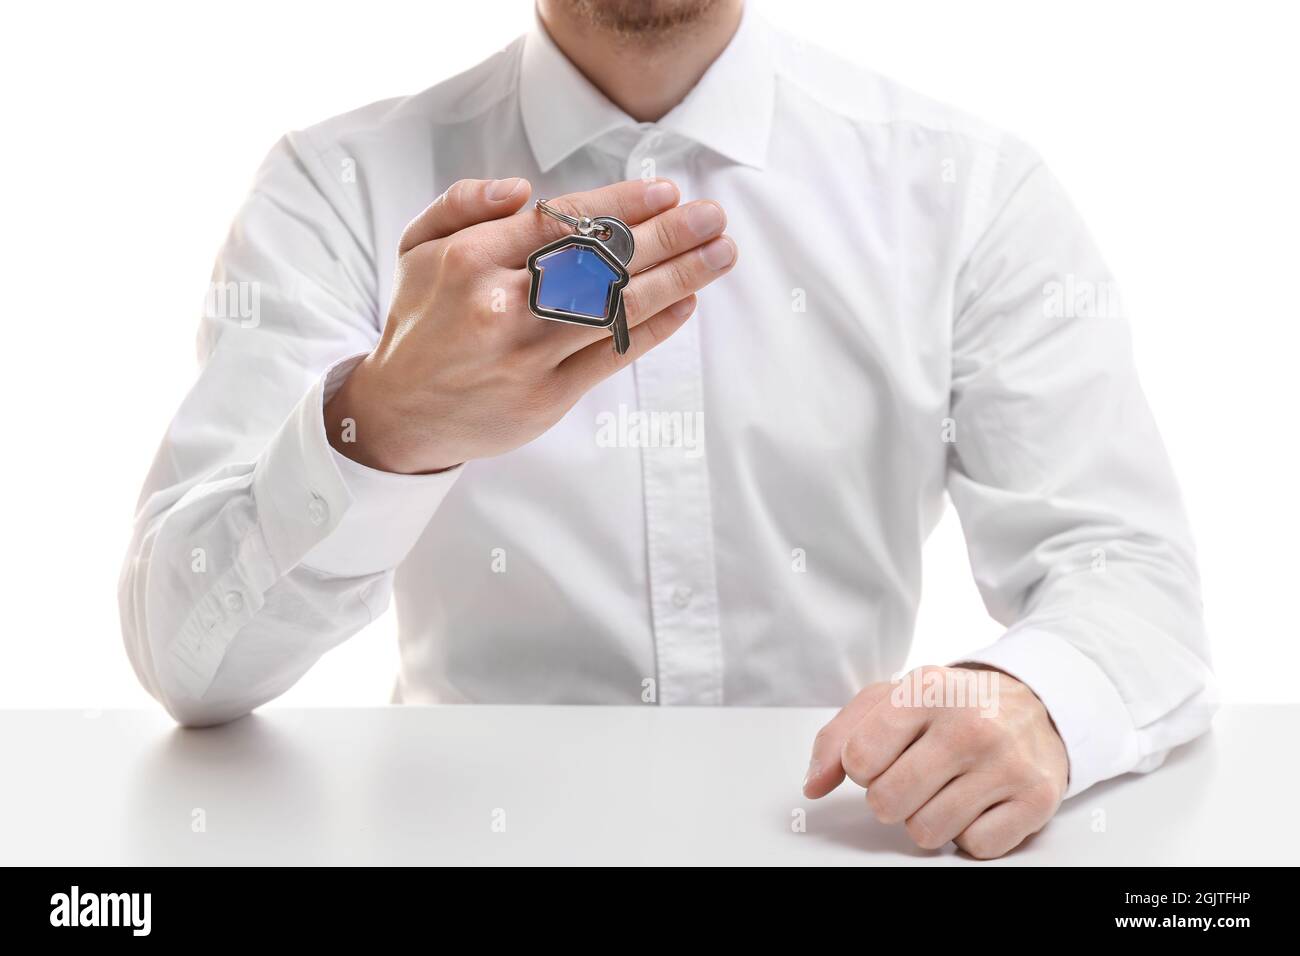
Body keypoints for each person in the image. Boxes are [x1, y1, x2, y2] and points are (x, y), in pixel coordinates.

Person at [120, 0, 1215, 859]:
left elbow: (1128, 575)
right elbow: (186, 658)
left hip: (844, 841)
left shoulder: (968, 190)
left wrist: (1039, 699)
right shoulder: (337, 190)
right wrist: (383, 421)